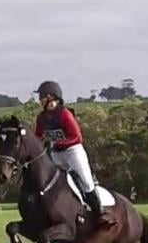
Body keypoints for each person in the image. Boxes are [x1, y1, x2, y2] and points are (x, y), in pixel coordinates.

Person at [32, 80, 111, 224]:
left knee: (86, 182)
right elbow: (38, 137)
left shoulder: (64, 114)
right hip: (56, 154)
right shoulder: (41, 117)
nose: (39, 100)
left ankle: (100, 214)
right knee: (53, 183)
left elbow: (76, 137)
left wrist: (56, 143)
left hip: (73, 151)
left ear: (51, 97)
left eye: (42, 96)